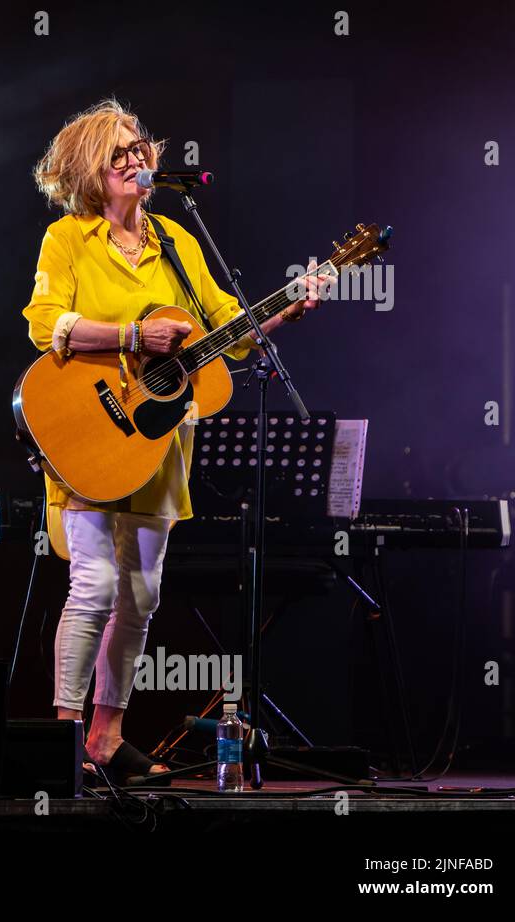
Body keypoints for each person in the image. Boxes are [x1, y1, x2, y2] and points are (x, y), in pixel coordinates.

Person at [22, 99, 328, 782]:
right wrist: (134, 336)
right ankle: (63, 742)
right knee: (95, 585)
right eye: (119, 154)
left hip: (158, 450)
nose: (137, 161)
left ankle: (107, 736)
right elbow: (46, 325)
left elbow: (232, 331)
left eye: (139, 149)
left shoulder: (178, 242)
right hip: (91, 436)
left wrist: (288, 305)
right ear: (87, 172)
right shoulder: (68, 240)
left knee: (142, 597)